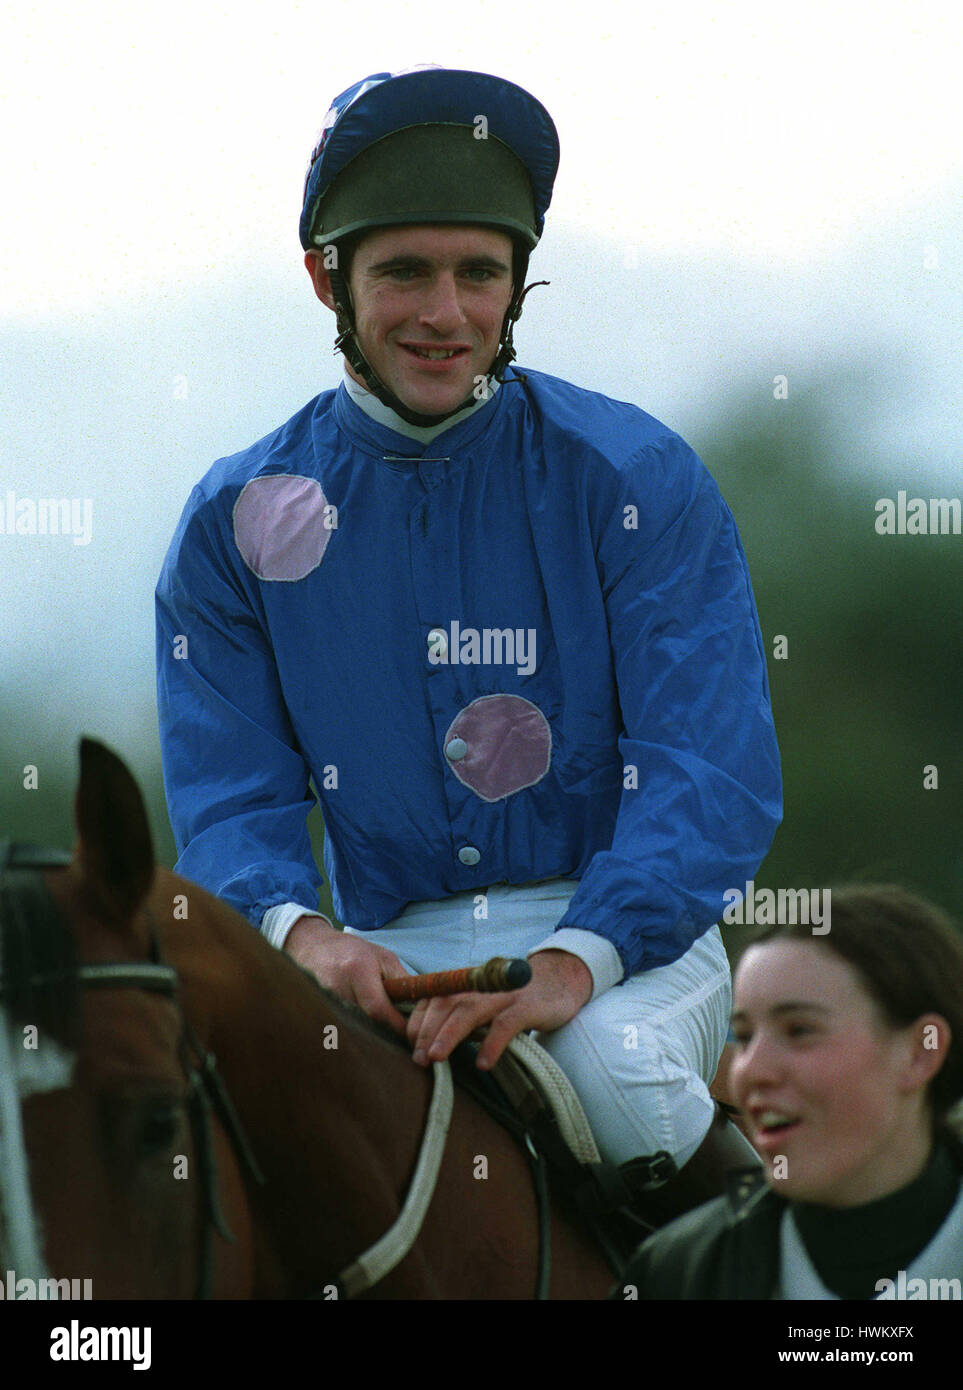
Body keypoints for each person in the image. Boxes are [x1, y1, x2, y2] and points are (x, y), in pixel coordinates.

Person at [155, 65, 781, 1208]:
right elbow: (229, 801)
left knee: (607, 1075)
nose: (446, 315)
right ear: (324, 279)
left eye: (478, 274)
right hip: (382, 947)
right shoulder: (233, 522)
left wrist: (570, 962)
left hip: (626, 935)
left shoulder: (635, 477)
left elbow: (710, 771)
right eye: (404, 272)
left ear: (517, 287)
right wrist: (304, 939)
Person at [617, 884, 963, 1297]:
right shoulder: (674, 1274)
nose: (752, 1071)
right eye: (744, 1036)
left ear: (919, 1053)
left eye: (799, 1030)